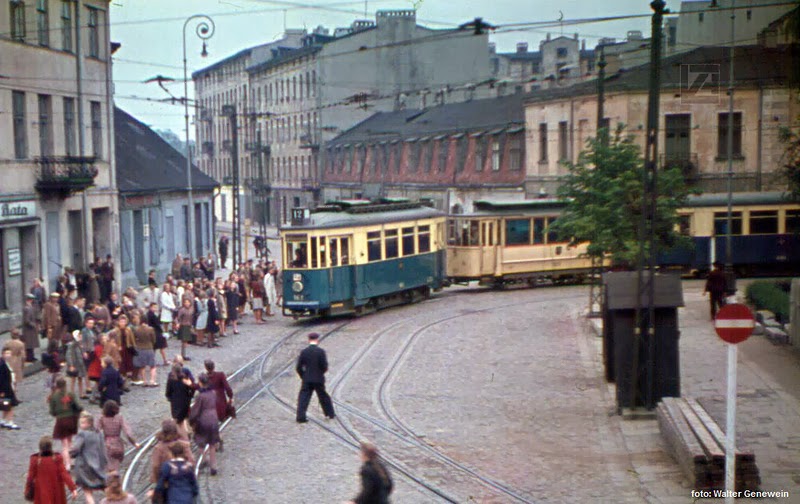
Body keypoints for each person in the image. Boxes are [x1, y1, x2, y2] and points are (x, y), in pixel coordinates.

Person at [295, 332, 335, 423]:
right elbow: (324, 366)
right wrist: (320, 373)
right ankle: (330, 413)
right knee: (323, 396)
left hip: (307, 379)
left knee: (303, 398)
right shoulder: (321, 351)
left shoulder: (304, 352)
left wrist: (303, 376)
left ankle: (300, 417)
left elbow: (298, 367)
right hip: (318, 378)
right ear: (317, 340)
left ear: (309, 340)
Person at [25, 436, 78, 504]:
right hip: (56, 491)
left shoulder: (35, 460)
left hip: (41, 492)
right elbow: (64, 474)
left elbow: (30, 477)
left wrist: (27, 490)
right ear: (51, 447)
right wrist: (73, 488)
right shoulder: (57, 459)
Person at [148, 419, 194, 496]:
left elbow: (155, 466)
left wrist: (157, 480)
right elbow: (191, 461)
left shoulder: (158, 448)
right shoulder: (184, 445)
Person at [70, 412, 108, 504]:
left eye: (83, 423)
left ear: (89, 423)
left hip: (84, 467)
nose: (81, 425)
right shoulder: (98, 433)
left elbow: (75, 449)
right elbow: (102, 449)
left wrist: (70, 453)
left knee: (87, 491)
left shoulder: (82, 434)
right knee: (104, 487)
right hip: (97, 466)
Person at [189, 373, 221, 475]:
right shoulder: (213, 393)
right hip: (214, 419)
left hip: (204, 420)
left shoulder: (201, 396)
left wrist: (191, 420)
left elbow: (196, 411)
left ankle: (205, 459)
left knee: (200, 441)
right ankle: (213, 466)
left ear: (201, 383)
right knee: (212, 443)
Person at [49, 377, 83, 469]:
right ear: (65, 385)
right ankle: (71, 461)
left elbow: (52, 411)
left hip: (61, 420)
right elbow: (77, 406)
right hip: (71, 420)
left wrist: (58, 414)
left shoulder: (53, 396)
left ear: (57, 386)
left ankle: (67, 464)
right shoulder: (70, 394)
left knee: (64, 444)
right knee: (70, 441)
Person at [96, 400, 139, 473]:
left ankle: (110, 477)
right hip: (118, 445)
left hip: (107, 445)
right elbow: (127, 432)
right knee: (116, 466)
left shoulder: (102, 418)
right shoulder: (120, 417)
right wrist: (134, 443)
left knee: (108, 467)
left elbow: (96, 430)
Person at [165, 362, 195, 436]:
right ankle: (186, 432)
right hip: (185, 401)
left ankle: (183, 435)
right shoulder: (185, 378)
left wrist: (169, 397)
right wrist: (190, 395)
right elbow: (192, 387)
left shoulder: (171, 379)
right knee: (183, 417)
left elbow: (168, 390)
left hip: (175, 402)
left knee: (177, 420)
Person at [131, 313, 158, 387]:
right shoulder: (150, 329)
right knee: (152, 366)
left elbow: (134, 339)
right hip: (149, 348)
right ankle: (152, 380)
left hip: (140, 348)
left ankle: (144, 381)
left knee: (142, 366)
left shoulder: (136, 329)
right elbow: (154, 340)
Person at [204, 360, 234, 424]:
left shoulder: (204, 377)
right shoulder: (220, 375)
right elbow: (227, 387)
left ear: (206, 368)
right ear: (214, 366)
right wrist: (230, 397)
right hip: (220, 405)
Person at [0, 346, 21, 430]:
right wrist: (2, 391)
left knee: (6, 405)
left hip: (7, 388)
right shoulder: (2, 364)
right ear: (3, 354)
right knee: (10, 405)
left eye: (9, 353)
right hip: (6, 389)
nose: (8, 355)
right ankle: (10, 421)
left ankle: (3, 420)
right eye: (7, 353)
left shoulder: (5, 363)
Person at [65, 329, 89, 398]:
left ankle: (81, 394)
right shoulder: (72, 345)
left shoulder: (79, 344)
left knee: (80, 379)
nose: (81, 336)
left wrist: (84, 354)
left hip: (80, 364)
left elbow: (82, 352)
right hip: (75, 364)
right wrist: (71, 365)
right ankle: (71, 394)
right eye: (79, 335)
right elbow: (69, 355)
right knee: (73, 380)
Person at [22, 293, 40, 362]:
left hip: (31, 329)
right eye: (31, 299)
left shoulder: (31, 307)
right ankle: (29, 357)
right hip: (28, 329)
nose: (32, 301)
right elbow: (26, 320)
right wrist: (33, 325)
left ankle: (32, 356)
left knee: (31, 344)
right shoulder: (26, 308)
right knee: (29, 344)